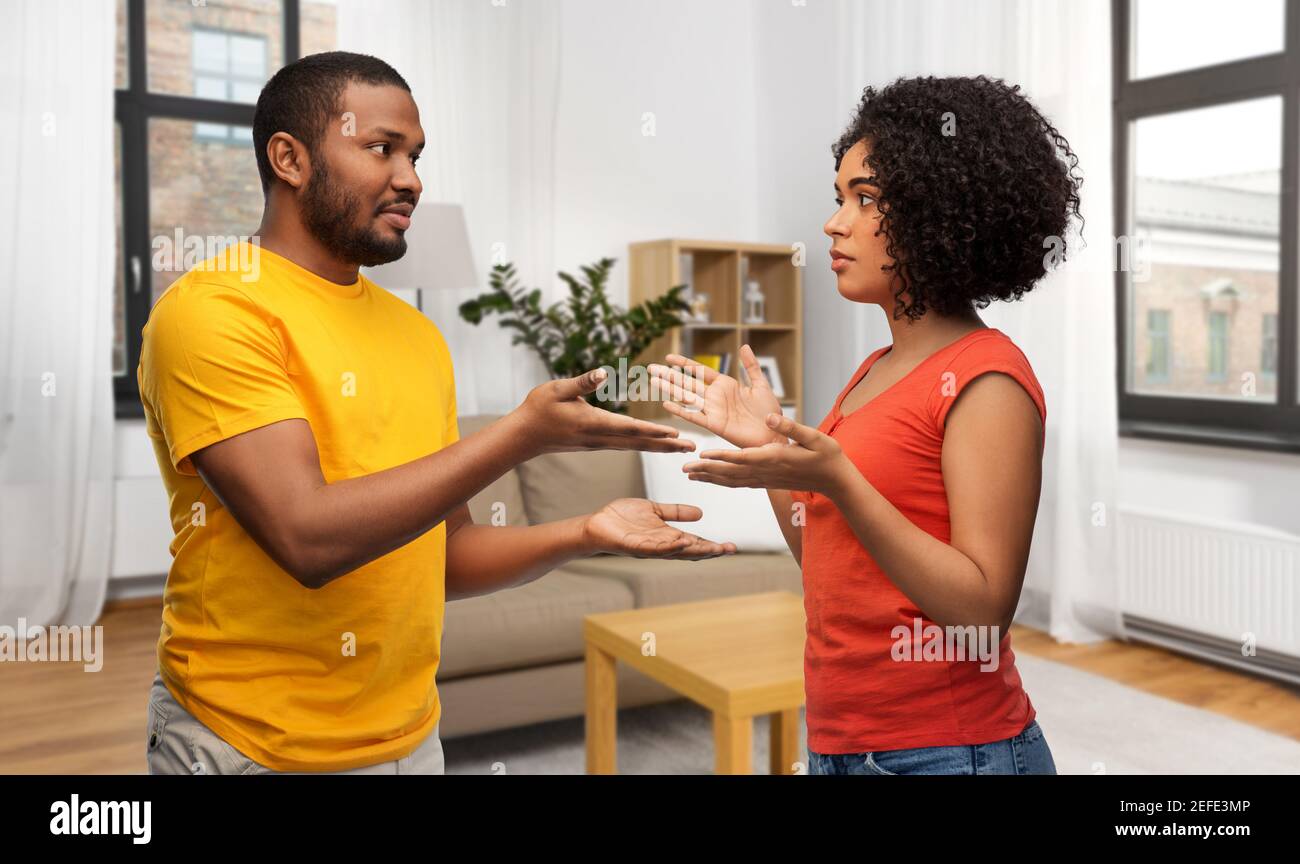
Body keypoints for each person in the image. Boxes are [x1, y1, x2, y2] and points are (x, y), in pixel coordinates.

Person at [138, 51, 733, 776]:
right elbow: (307, 541)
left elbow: (447, 555)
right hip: (247, 745)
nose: (411, 179)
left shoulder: (418, 338)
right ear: (289, 159)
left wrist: (585, 530)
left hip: (410, 741)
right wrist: (519, 436)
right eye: (380, 148)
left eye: (416, 156)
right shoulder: (213, 314)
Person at [649, 75, 1081, 775]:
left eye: (866, 197)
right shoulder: (874, 369)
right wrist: (770, 449)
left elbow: (982, 613)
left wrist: (842, 481)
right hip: (843, 744)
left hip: (948, 751)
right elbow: (826, 557)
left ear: (939, 212)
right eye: (839, 195)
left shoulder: (988, 377)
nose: (834, 221)